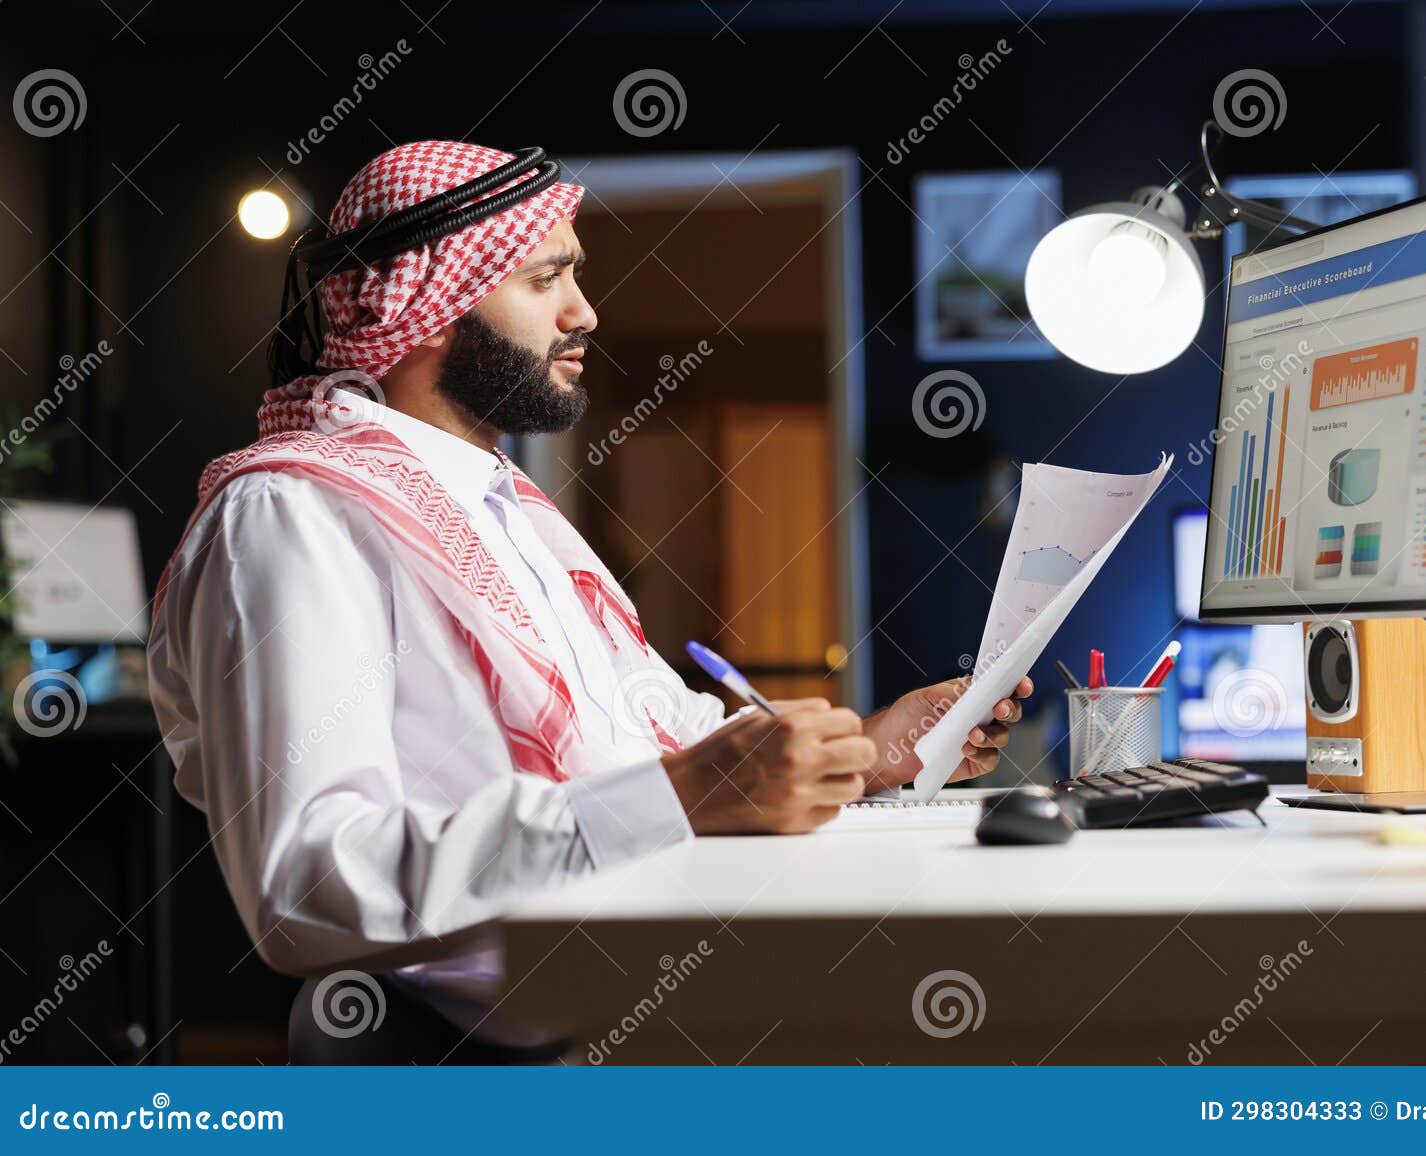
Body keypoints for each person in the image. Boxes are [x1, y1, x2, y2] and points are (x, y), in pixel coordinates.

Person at [149, 141, 1031, 1053]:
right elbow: (307, 888)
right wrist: (685, 793)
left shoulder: (512, 513)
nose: (586, 312)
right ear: (428, 305)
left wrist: (870, 754)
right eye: (546, 279)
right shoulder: (292, 517)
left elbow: (654, 740)